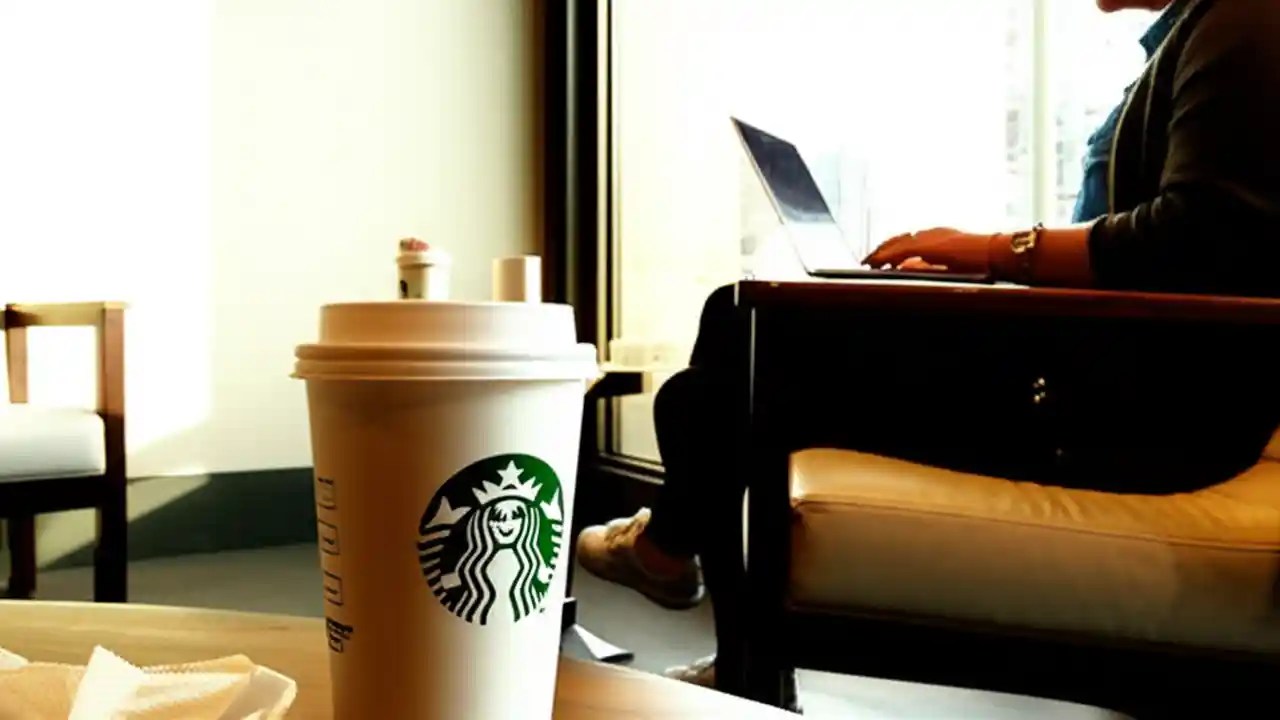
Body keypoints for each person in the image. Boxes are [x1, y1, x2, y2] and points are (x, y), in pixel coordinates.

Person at [576, 0, 1280, 695]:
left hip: (1132, 419)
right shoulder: (1197, 35)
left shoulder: (1245, 20)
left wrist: (997, 252)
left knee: (734, 340)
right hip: (1092, 380)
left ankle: (678, 566)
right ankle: (713, 621)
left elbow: (1191, 241)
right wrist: (981, 269)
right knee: (728, 350)